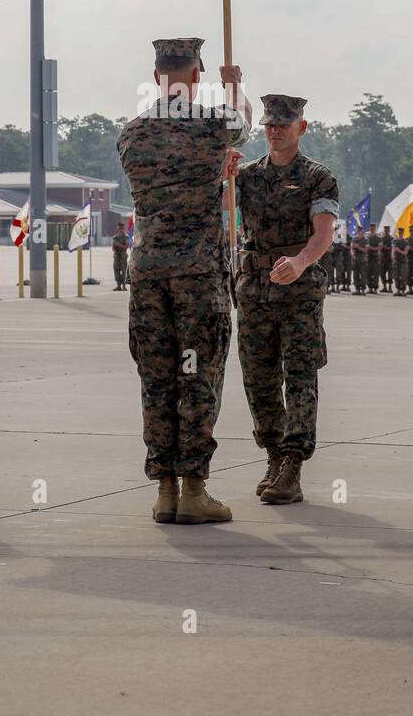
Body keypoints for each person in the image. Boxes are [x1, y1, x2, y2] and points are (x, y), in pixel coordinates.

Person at [117, 38, 251, 525]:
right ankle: (195, 488)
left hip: (149, 267)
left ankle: (165, 490)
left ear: (156, 76)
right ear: (197, 76)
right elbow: (243, 123)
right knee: (198, 375)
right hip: (197, 270)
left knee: (156, 377)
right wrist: (235, 87)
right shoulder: (215, 125)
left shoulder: (131, 134)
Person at [234, 94, 337, 506]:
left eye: (283, 124)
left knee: (299, 377)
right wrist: (233, 88)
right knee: (258, 379)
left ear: (301, 127)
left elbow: (323, 234)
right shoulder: (244, 176)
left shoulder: (318, 177)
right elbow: (220, 200)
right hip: (253, 288)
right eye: (269, 124)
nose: (274, 130)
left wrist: (300, 261)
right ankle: (274, 454)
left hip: (299, 292)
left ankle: (293, 464)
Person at [111, 221, 129, 290]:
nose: (120, 230)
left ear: (123, 229)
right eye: (118, 228)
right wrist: (114, 246)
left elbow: (126, 246)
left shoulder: (126, 237)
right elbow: (112, 247)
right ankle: (118, 285)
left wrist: (119, 245)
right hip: (116, 256)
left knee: (124, 271)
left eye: (121, 228)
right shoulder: (115, 237)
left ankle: (124, 286)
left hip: (123, 257)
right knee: (116, 271)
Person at [351, 225, 368, 294]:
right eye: (358, 231)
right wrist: (352, 254)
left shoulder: (365, 240)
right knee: (356, 275)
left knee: (363, 275)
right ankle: (357, 289)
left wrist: (358, 247)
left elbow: (366, 250)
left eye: (360, 231)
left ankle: (363, 290)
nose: (359, 232)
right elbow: (351, 248)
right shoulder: (354, 239)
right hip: (355, 260)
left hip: (362, 260)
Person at [393, 226, 409, 295]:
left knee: (403, 276)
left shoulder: (406, 242)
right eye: (399, 232)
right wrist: (393, 258)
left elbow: (405, 252)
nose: (400, 233)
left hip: (403, 261)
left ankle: (403, 291)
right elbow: (393, 250)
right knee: (396, 276)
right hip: (396, 261)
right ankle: (398, 290)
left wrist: (398, 250)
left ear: (403, 233)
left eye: (401, 232)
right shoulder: (394, 241)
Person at [366, 223, 381, 293]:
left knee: (375, 274)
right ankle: (370, 288)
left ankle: (375, 288)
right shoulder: (367, 238)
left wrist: (371, 248)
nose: (372, 230)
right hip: (368, 258)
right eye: (371, 229)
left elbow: (379, 248)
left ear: (375, 229)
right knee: (368, 273)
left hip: (375, 258)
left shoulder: (378, 238)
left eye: (373, 229)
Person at [379, 225, 393, 292]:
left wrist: (385, 247)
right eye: (385, 231)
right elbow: (379, 247)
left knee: (390, 274)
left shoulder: (392, 239)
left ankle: (390, 287)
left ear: (389, 231)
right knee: (382, 273)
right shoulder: (381, 239)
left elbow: (392, 248)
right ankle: (384, 287)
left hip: (389, 258)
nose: (386, 232)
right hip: (382, 258)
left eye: (387, 231)